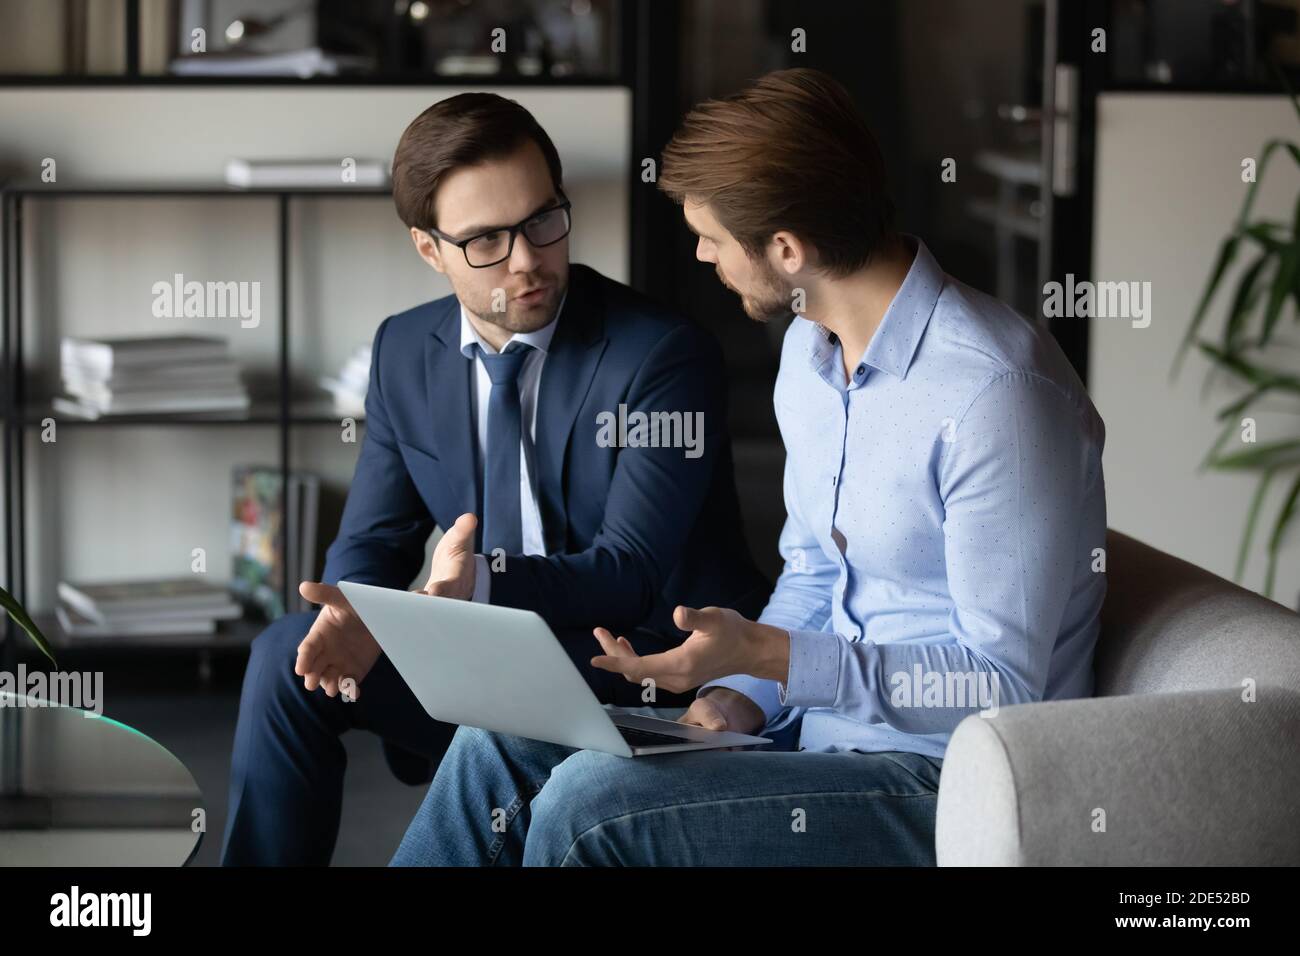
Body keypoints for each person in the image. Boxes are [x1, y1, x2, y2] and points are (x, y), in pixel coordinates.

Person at [389, 68, 1108, 867]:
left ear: (787, 249)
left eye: (715, 239)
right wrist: (740, 694)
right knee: (499, 744)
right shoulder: (809, 353)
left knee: (590, 807)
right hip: (808, 736)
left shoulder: (996, 396)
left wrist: (765, 655)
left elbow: (997, 686)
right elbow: (811, 573)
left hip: (944, 781)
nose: (702, 256)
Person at [221, 92, 770, 866]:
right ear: (428, 247)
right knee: (286, 654)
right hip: (487, 659)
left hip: (638, 667)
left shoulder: (659, 355)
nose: (526, 259)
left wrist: (476, 583)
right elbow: (373, 540)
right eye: (485, 239)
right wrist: (353, 610)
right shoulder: (405, 349)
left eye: (543, 219)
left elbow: (632, 576)